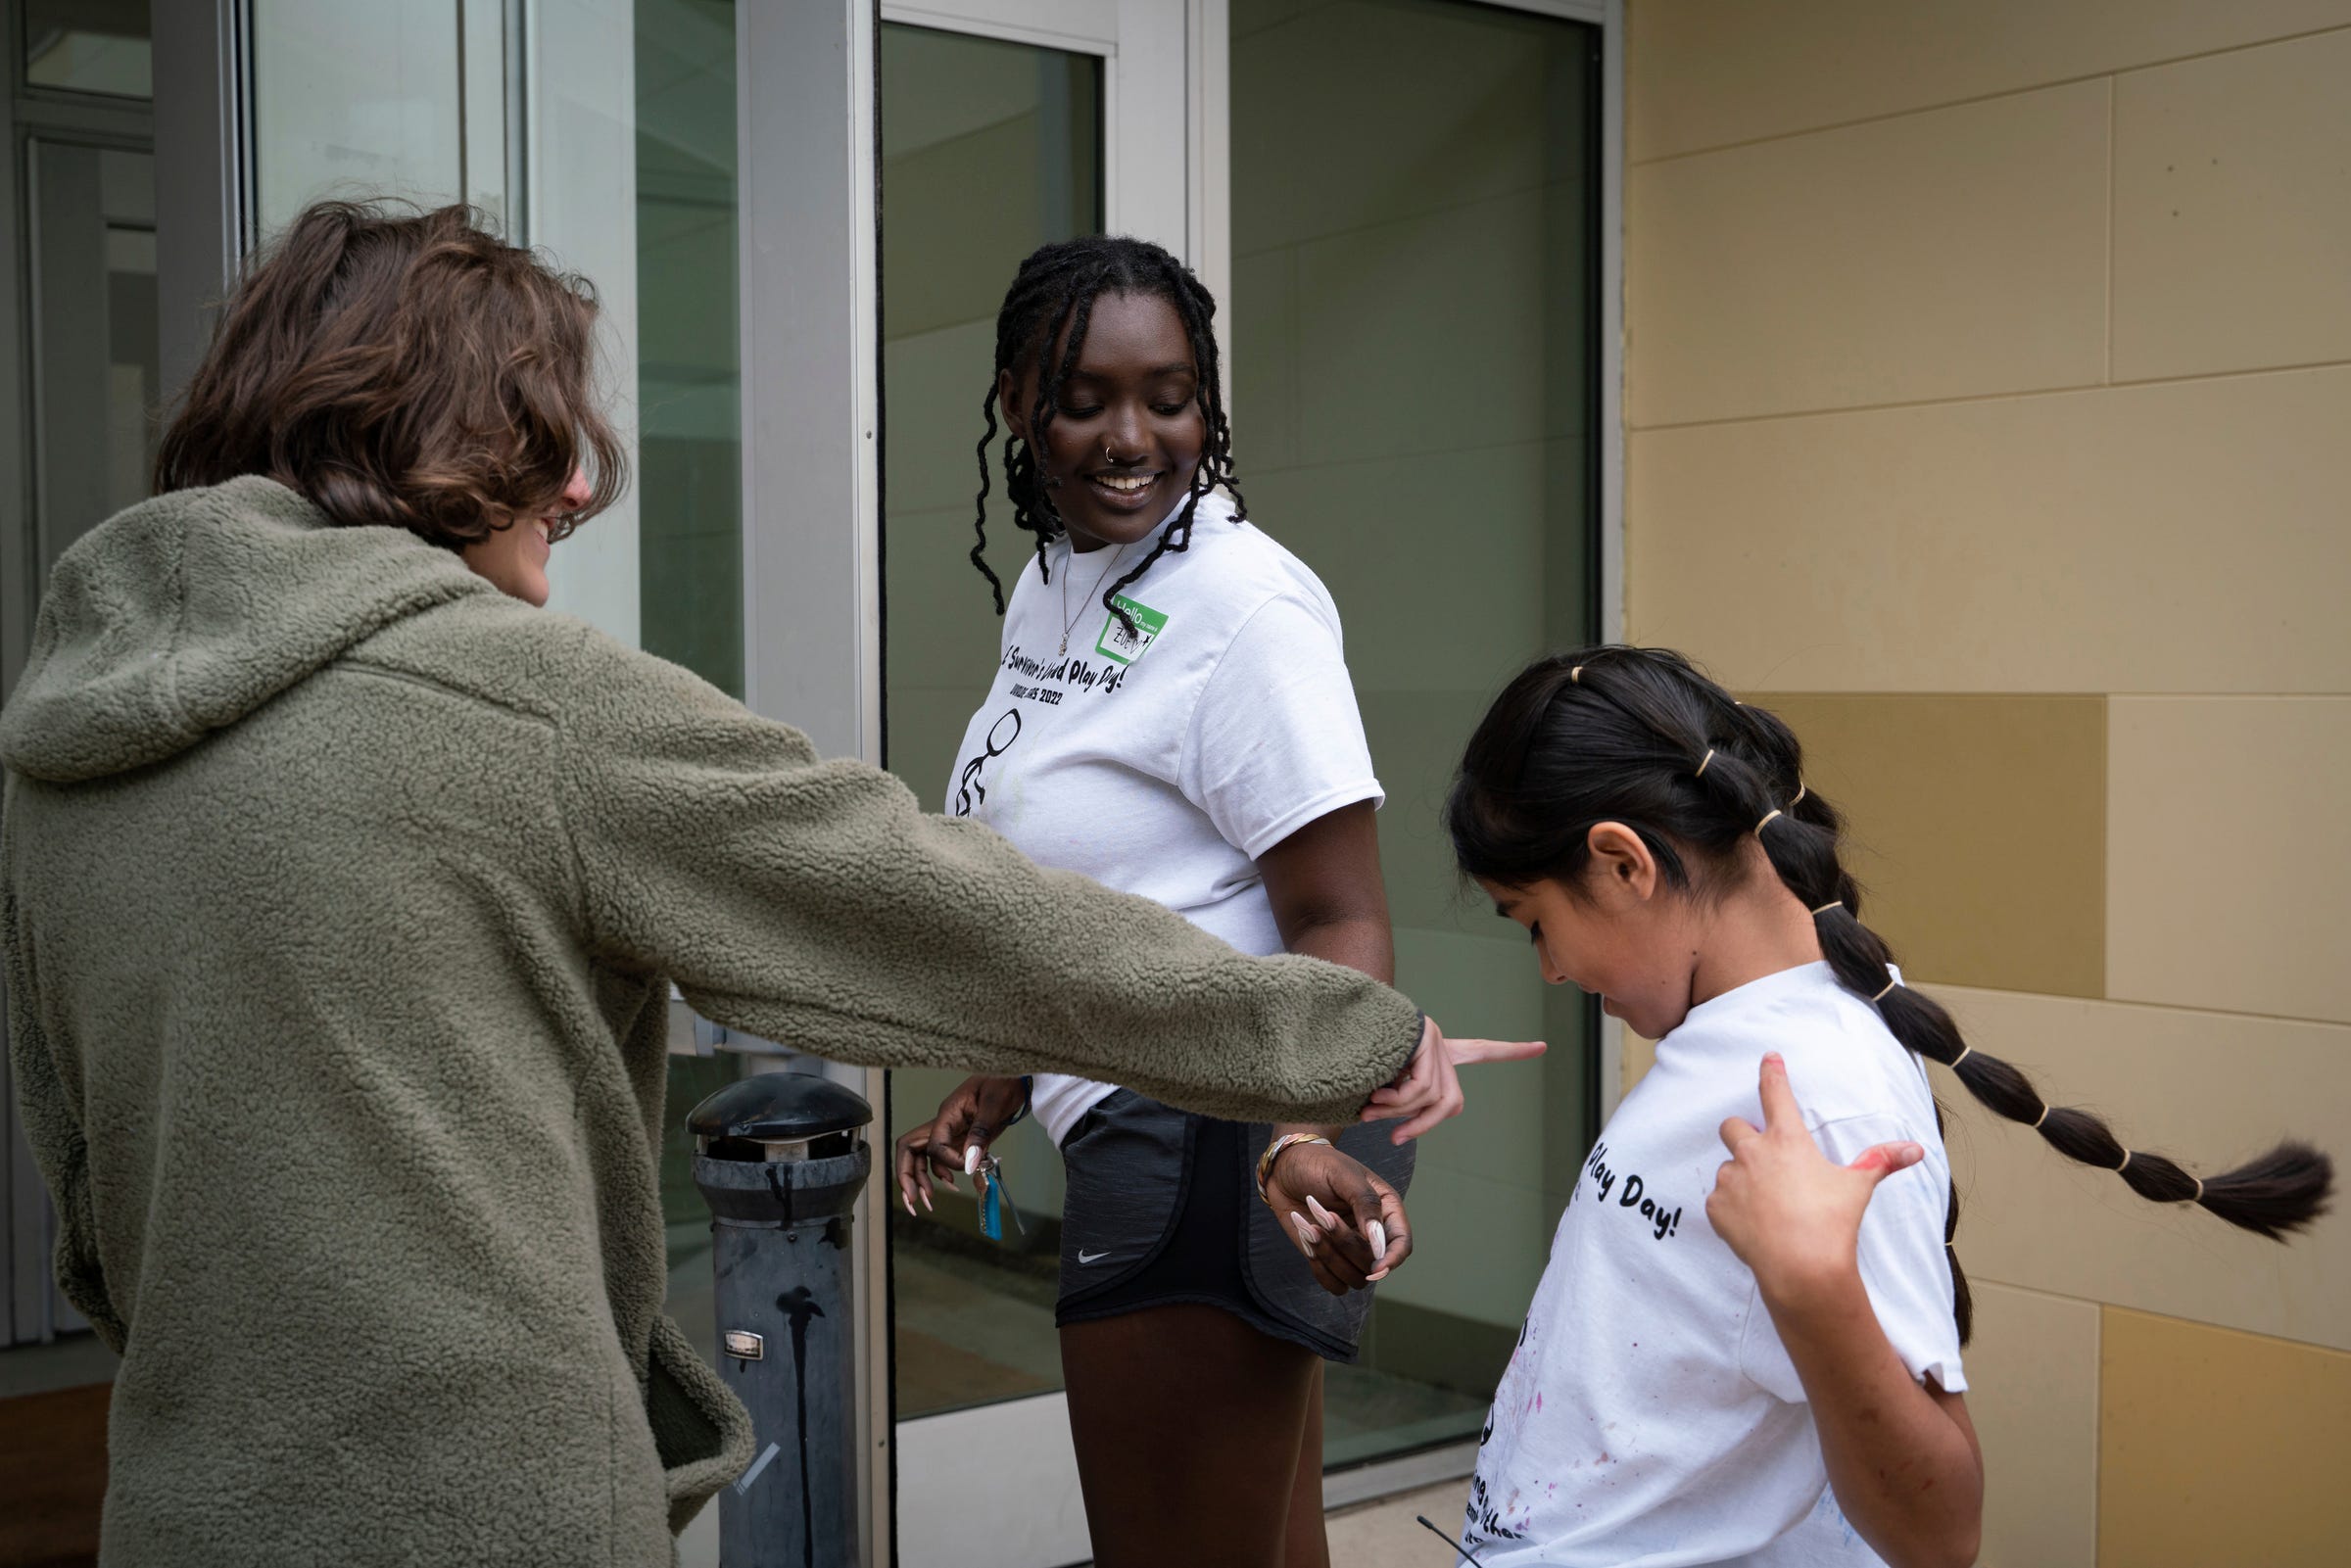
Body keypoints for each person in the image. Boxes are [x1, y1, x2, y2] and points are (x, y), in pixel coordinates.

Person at [0, 201, 1517, 1568]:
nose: (580, 485)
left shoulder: (72, 739)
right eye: (549, 430)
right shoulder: (520, 701)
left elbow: (83, 1203)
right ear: (457, 435)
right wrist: (1347, 1037)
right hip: (488, 1503)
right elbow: (917, 905)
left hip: (189, 1497)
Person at [890, 234, 1536, 1568]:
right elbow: (1109, 877)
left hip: (1221, 1127)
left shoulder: (1245, 609)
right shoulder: (1059, 581)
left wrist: (1298, 1133)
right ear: (1017, 402)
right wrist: (1011, 1070)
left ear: (1209, 406)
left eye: (1169, 397)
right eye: (1087, 399)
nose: (1132, 438)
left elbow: (1342, 920)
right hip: (1157, 1110)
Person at [1439, 646, 2332, 1568]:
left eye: (1534, 920)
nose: (1549, 968)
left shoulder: (1821, 1094)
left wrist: (1813, 1285)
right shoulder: (1736, 1039)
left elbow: (1942, 1534)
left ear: (1624, 864)